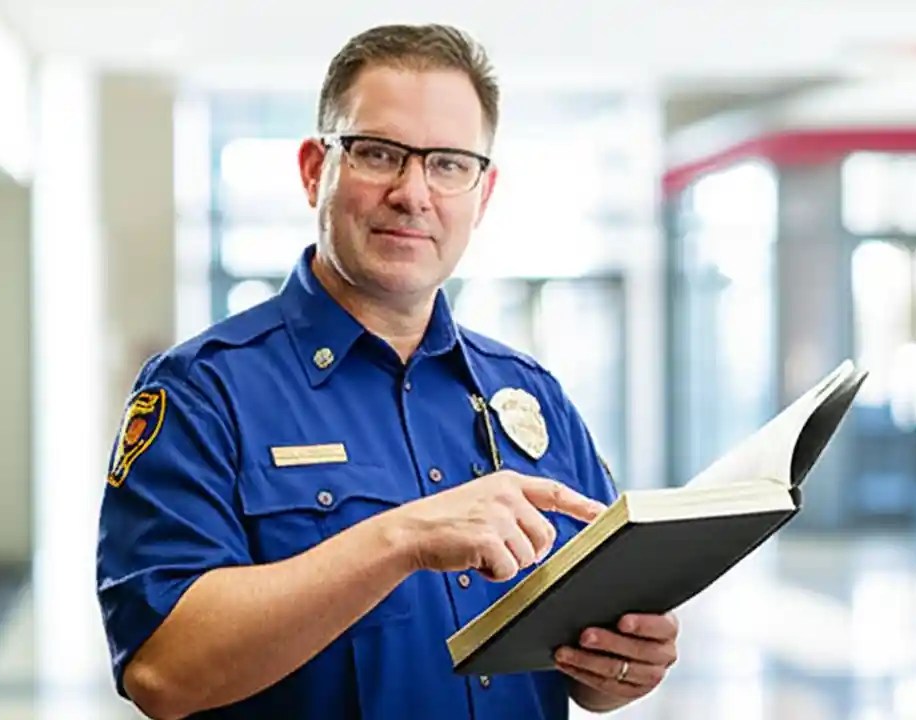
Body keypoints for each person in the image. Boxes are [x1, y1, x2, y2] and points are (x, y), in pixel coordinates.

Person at [96, 22, 679, 720]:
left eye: (448, 164)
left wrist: (619, 667)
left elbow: (588, 656)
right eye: (378, 153)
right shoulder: (202, 393)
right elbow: (165, 671)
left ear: (482, 194)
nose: (413, 192)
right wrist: (401, 539)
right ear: (316, 170)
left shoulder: (530, 395)